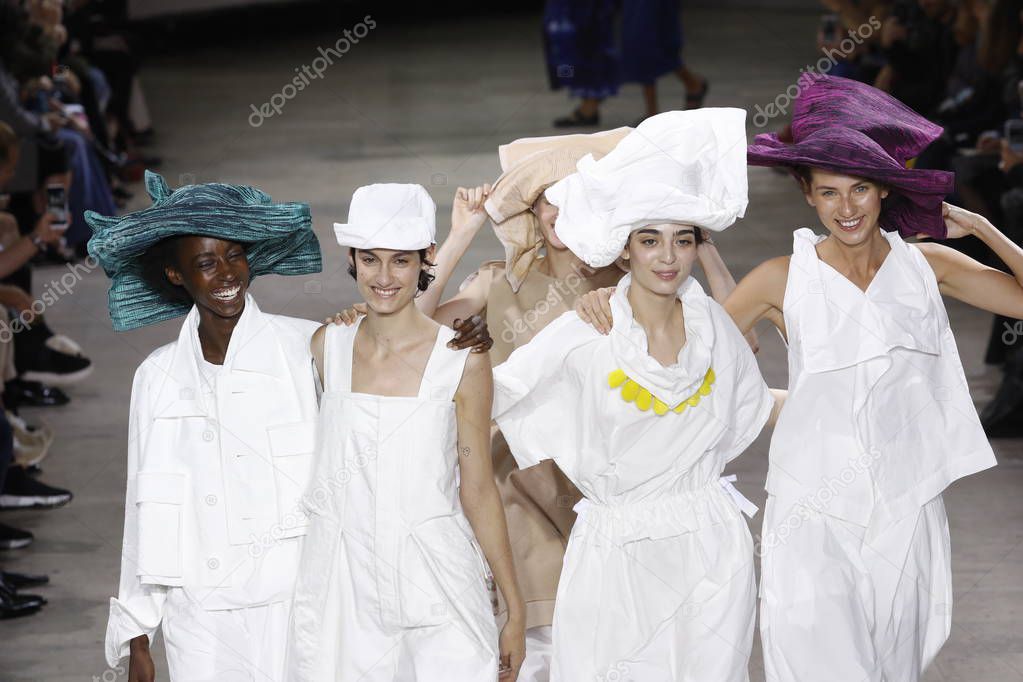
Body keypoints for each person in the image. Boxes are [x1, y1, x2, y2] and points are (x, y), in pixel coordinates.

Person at [576, 75, 1019, 681]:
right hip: (814, 507)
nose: (847, 208)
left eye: (860, 188)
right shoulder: (783, 277)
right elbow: (689, 346)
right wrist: (607, 300)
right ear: (808, 196)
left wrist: (986, 230)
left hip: (906, 504)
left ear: (884, 190)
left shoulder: (926, 267)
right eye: (829, 192)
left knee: (896, 666)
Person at [492, 109, 781, 681]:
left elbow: (752, 404)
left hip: (711, 546)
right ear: (624, 250)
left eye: (682, 240)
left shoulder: (715, 329)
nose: (667, 257)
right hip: (615, 549)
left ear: (699, 247)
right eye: (650, 241)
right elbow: (494, 398)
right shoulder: (584, 332)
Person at [89, 171, 324, 682]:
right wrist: (138, 634)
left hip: (297, 603)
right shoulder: (157, 377)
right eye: (205, 262)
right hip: (199, 615)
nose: (226, 273)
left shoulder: (306, 349)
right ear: (177, 276)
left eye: (234, 255)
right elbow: (143, 504)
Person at [287, 183, 526, 681]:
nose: (384, 277)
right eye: (370, 259)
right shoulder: (325, 347)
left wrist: (514, 608)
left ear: (427, 259)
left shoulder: (461, 359)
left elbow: (478, 485)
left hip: (436, 572)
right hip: (341, 578)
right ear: (352, 259)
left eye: (400, 260)